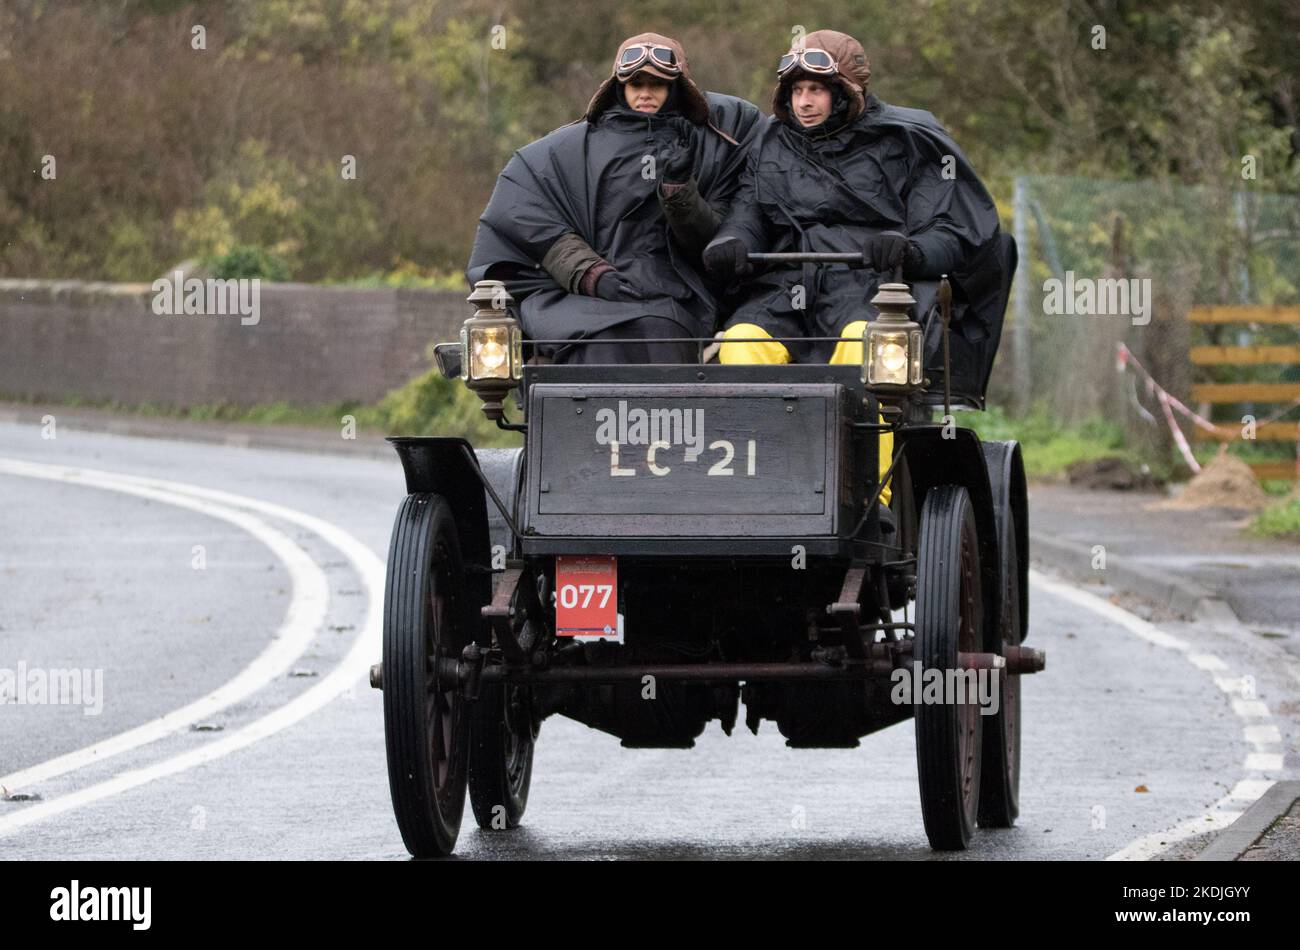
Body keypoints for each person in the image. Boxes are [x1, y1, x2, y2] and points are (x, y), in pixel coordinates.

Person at [702, 29, 1011, 502]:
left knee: (861, 347)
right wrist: (731, 241)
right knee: (742, 343)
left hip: (873, 289)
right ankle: (759, 495)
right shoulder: (768, 143)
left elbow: (959, 232)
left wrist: (908, 250)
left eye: (817, 91)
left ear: (846, 93)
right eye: (797, 91)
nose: (804, 103)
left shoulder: (908, 140)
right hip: (785, 289)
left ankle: (866, 498)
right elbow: (748, 214)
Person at [467, 33, 763, 365]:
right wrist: (590, 274)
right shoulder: (563, 151)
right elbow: (524, 212)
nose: (646, 92)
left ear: (677, 87)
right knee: (593, 342)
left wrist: (679, 192)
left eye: (658, 83)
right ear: (619, 85)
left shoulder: (715, 145)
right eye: (637, 83)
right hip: (583, 296)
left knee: (659, 330)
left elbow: (714, 242)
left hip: (673, 296)